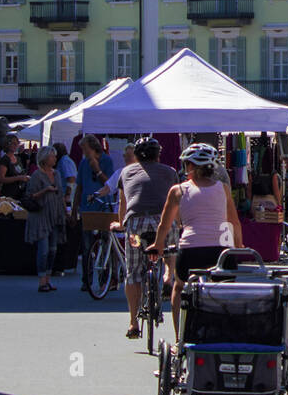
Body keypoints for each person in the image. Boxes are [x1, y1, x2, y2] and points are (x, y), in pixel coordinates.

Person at [146, 142, 243, 337]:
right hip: (221, 251)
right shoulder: (223, 188)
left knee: (179, 287)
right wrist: (239, 246)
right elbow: (234, 222)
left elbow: (164, 226)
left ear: (189, 166)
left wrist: (157, 245)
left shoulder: (178, 190)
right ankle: (225, 334)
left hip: (192, 251)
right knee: (224, 291)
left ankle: (179, 339)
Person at [114, 138, 178, 340]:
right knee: (170, 248)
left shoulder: (126, 172)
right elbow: (175, 204)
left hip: (136, 223)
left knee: (133, 272)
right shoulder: (170, 172)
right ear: (158, 155)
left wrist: (121, 224)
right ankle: (169, 274)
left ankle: (133, 323)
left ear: (136, 156)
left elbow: (123, 206)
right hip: (162, 219)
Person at [75, 135, 115, 292]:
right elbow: (79, 187)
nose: (83, 152)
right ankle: (86, 280)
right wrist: (75, 208)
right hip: (87, 208)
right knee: (86, 246)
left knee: (105, 244)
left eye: (85, 148)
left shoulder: (107, 161)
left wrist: (97, 169)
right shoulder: (83, 163)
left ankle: (105, 280)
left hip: (103, 207)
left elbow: (109, 183)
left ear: (93, 148)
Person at [24, 148, 66, 293]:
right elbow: (30, 195)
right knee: (43, 249)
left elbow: (60, 193)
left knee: (53, 250)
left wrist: (64, 212)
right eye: (52, 156)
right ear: (45, 158)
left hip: (54, 215)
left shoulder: (57, 174)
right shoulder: (36, 175)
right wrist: (45, 190)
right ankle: (42, 280)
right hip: (41, 216)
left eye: (55, 156)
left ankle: (48, 278)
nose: (55, 159)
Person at [0, 136, 28, 202]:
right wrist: (18, 178)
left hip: (18, 194)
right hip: (8, 194)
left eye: (17, 143)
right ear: (7, 144)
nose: (15, 145)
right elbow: (1, 178)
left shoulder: (18, 158)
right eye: (13, 143)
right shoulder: (5, 159)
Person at [55, 143, 78, 208]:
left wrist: (67, 195)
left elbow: (71, 178)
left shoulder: (65, 161)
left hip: (67, 195)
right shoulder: (63, 160)